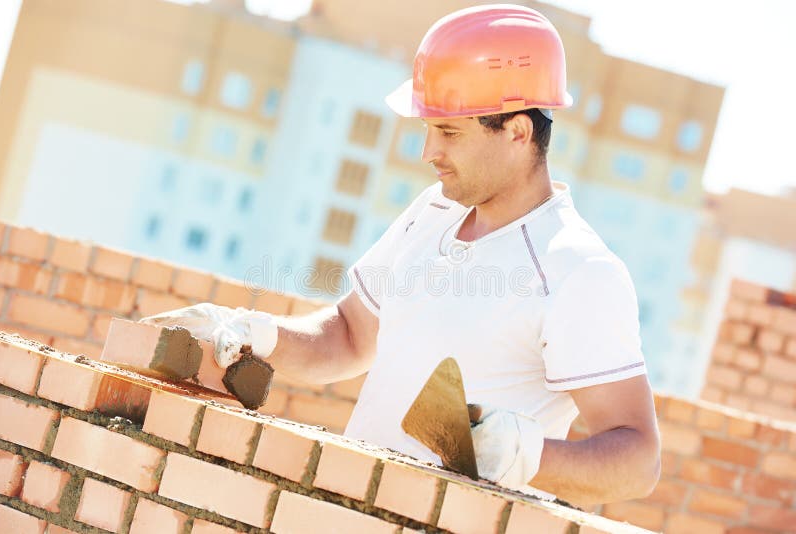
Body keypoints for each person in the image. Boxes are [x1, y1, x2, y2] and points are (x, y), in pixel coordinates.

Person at [142, 4, 660, 506]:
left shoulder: (578, 271)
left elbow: (638, 461)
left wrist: (526, 455)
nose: (428, 152)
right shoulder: (432, 211)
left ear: (519, 132)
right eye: (429, 129)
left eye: (450, 132)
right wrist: (259, 333)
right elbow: (348, 336)